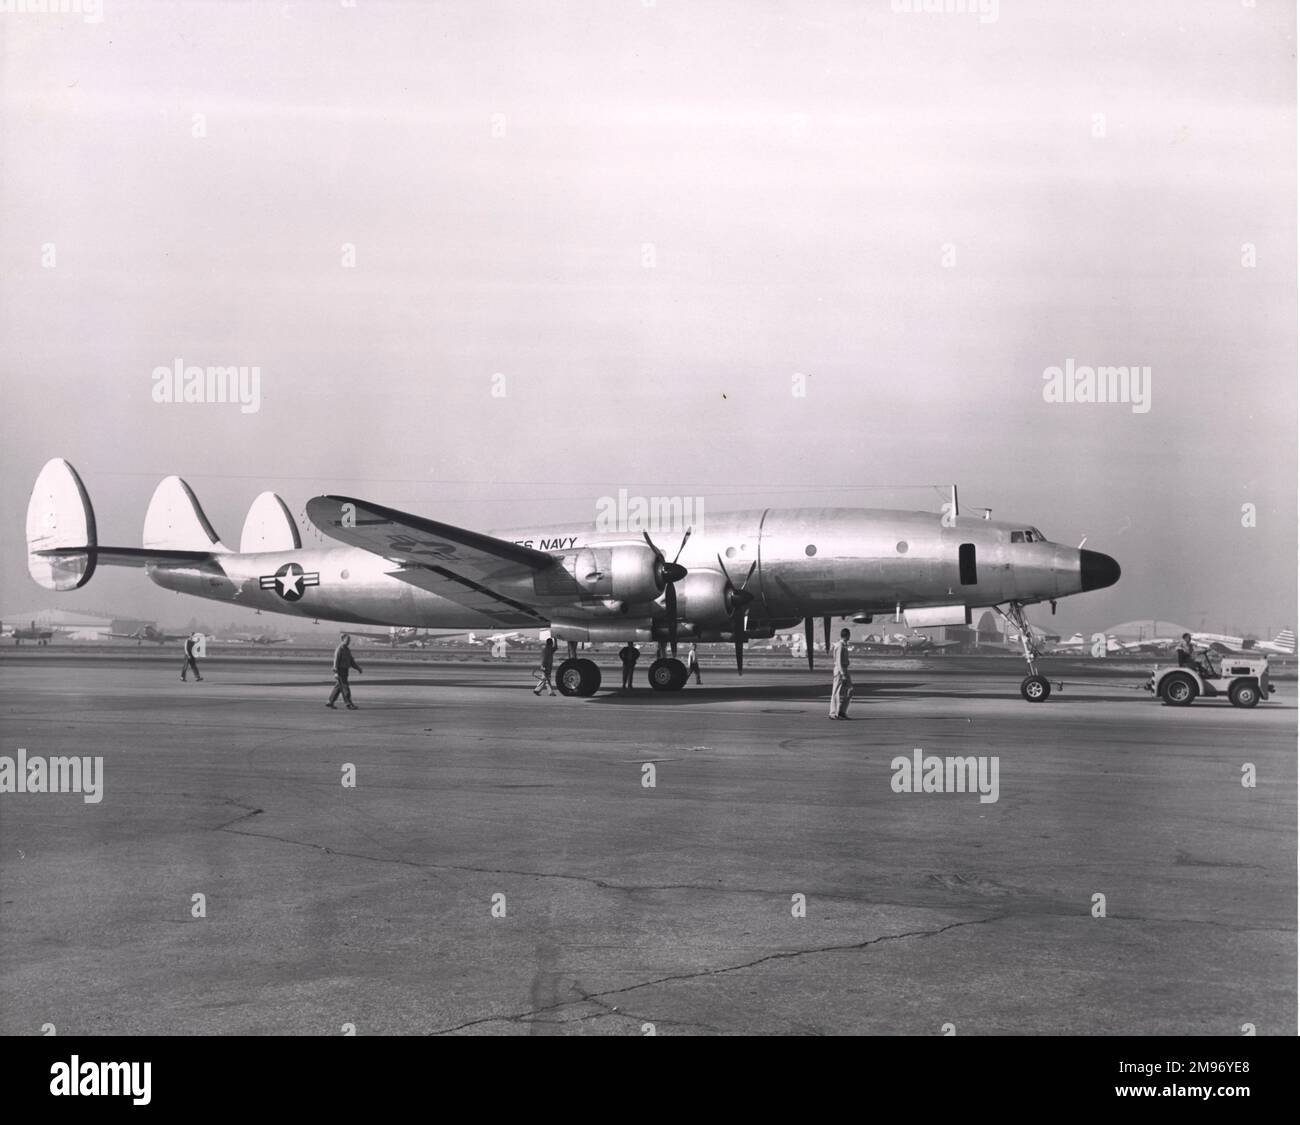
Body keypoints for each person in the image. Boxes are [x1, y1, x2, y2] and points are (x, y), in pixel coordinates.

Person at [327, 633, 363, 709]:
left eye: (349, 640)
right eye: (347, 640)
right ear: (343, 640)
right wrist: (336, 672)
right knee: (345, 687)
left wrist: (358, 668)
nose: (349, 641)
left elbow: (351, 661)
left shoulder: (347, 650)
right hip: (340, 670)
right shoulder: (339, 649)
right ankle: (348, 704)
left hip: (345, 670)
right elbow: (335, 662)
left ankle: (330, 702)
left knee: (338, 687)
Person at [829, 627, 853, 719]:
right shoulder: (839, 646)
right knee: (836, 692)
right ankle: (833, 713)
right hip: (840, 670)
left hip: (844, 669)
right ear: (847, 635)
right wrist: (842, 674)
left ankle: (842, 711)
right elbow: (838, 661)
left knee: (849, 690)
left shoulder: (844, 645)